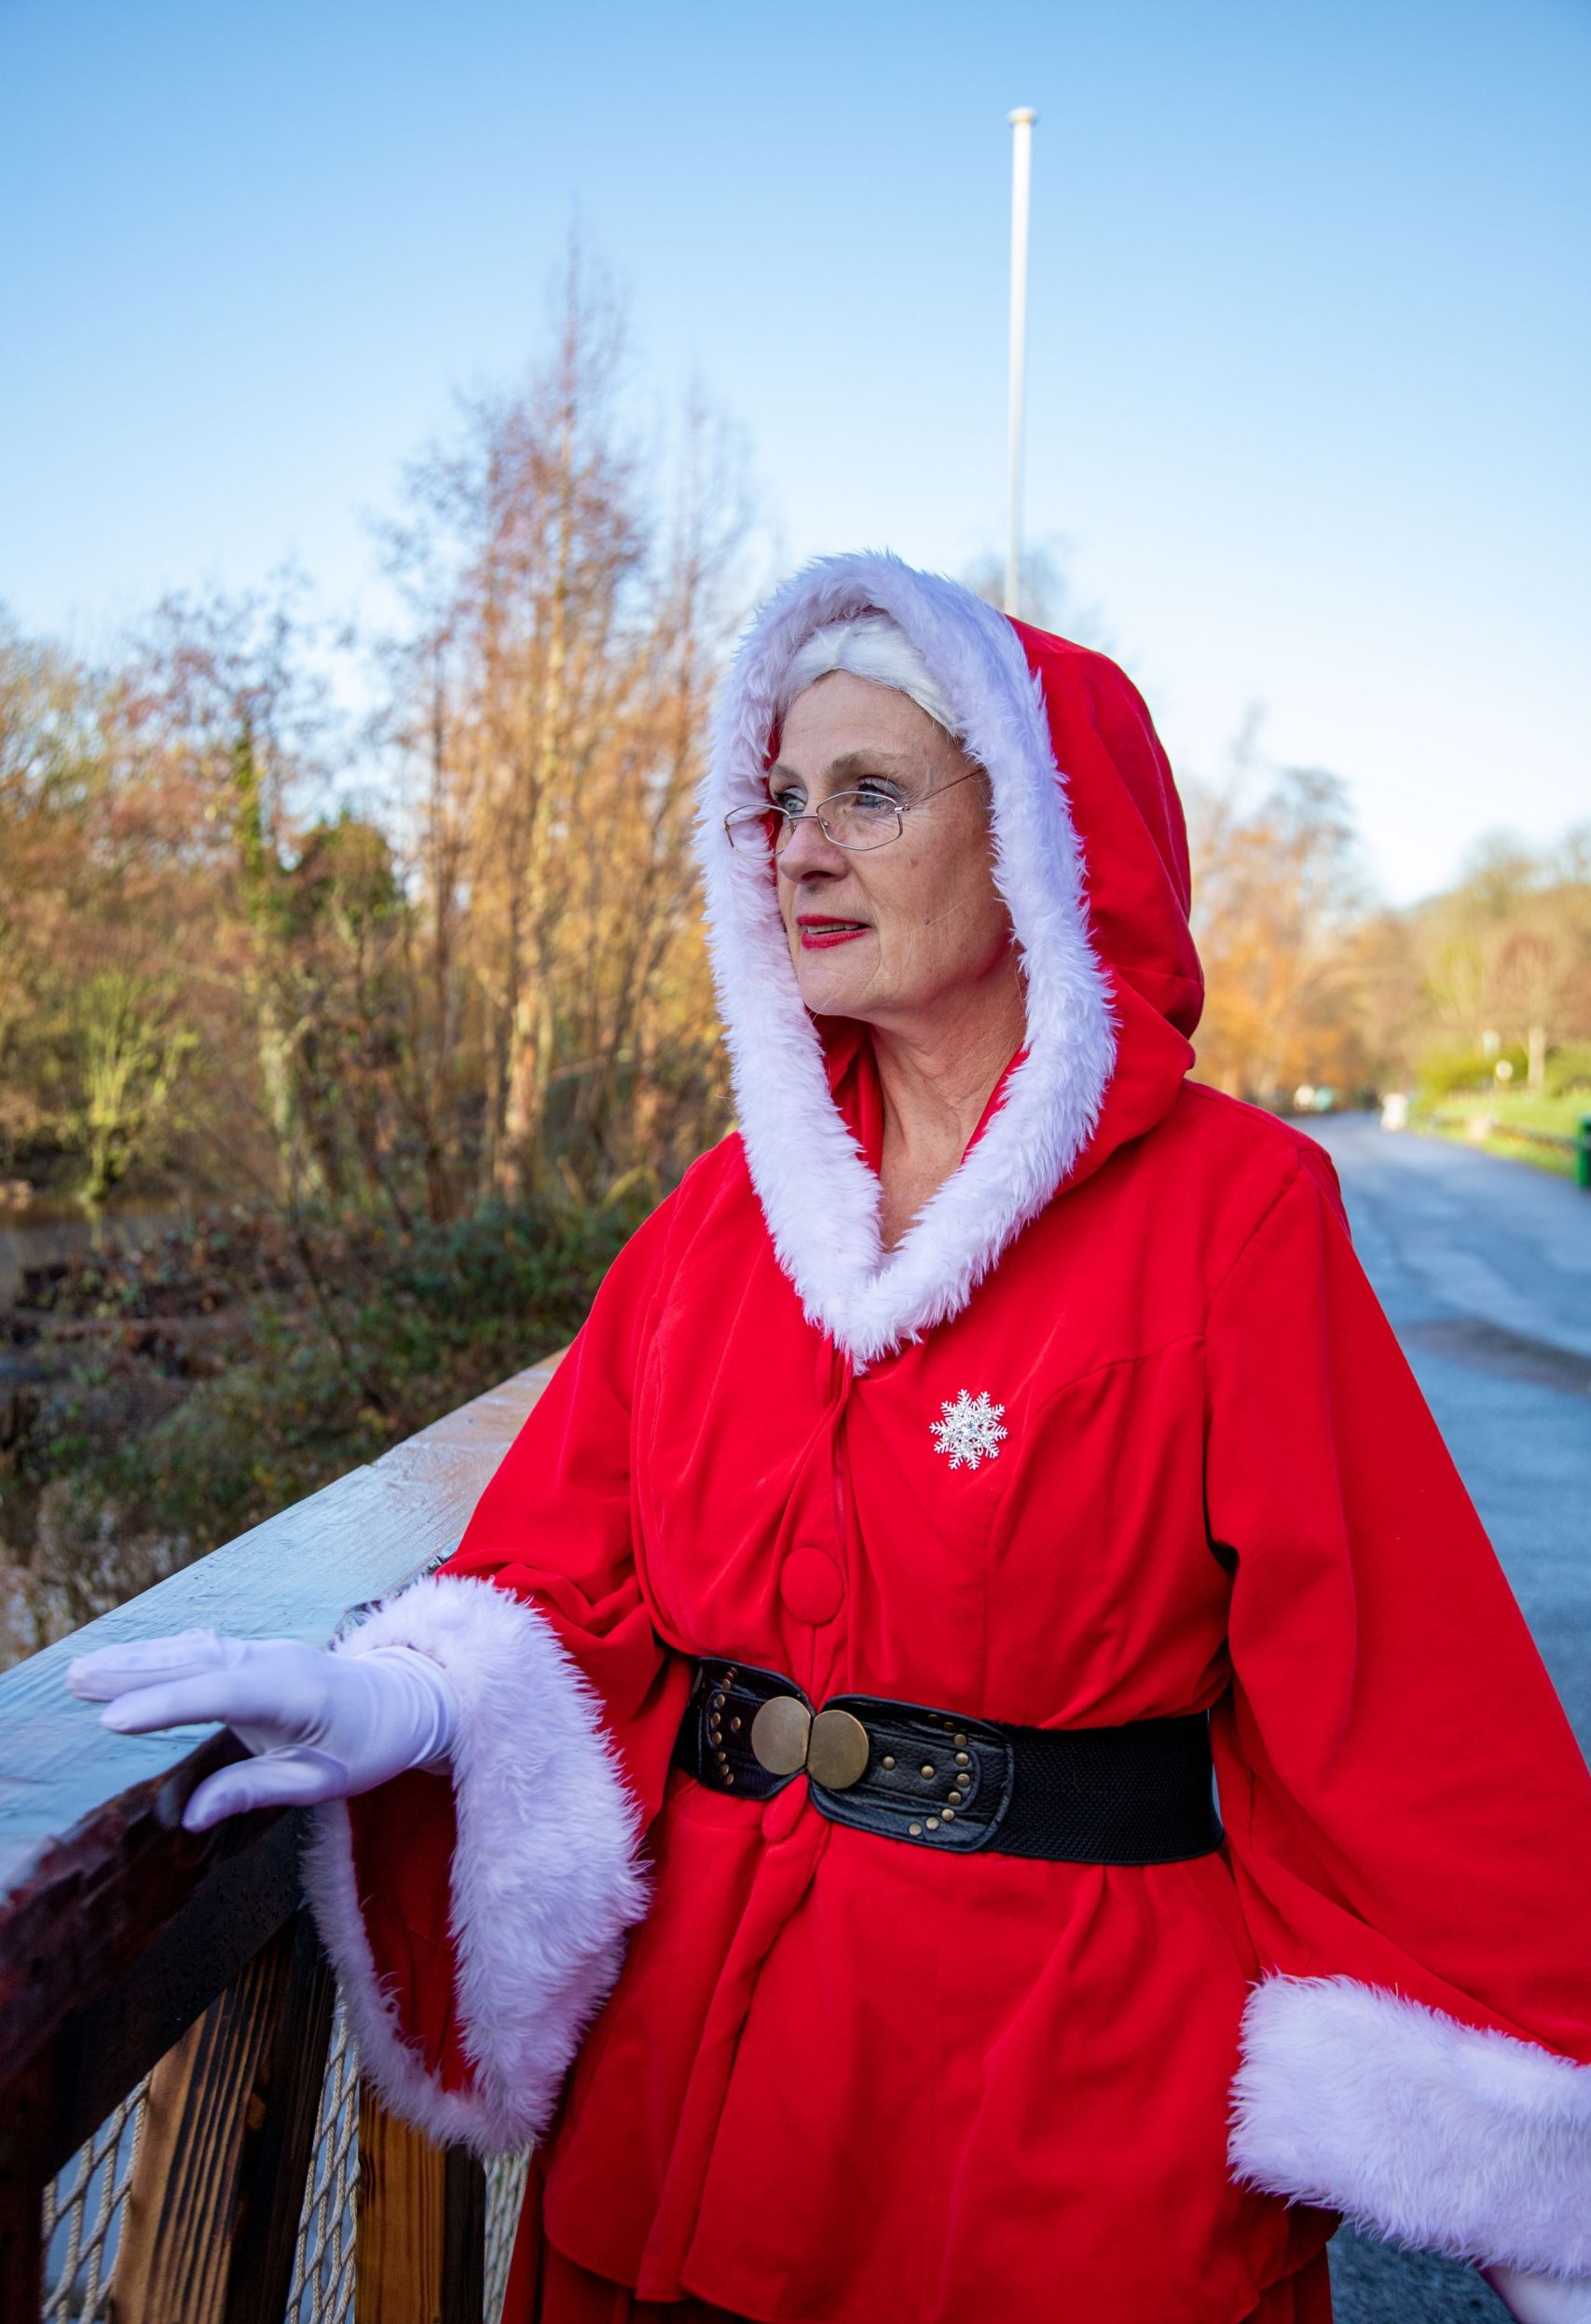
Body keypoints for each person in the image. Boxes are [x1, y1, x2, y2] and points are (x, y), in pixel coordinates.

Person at [70, 555, 1591, 2324]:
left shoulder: (1237, 1217)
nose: (796, 845)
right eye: (778, 799)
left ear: (1039, 835)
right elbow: (568, 1559)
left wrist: (1544, 2190)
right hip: (700, 2071)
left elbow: (1396, 1700)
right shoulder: (725, 1217)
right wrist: (420, 1697)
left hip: (1064, 2106)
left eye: (868, 792)